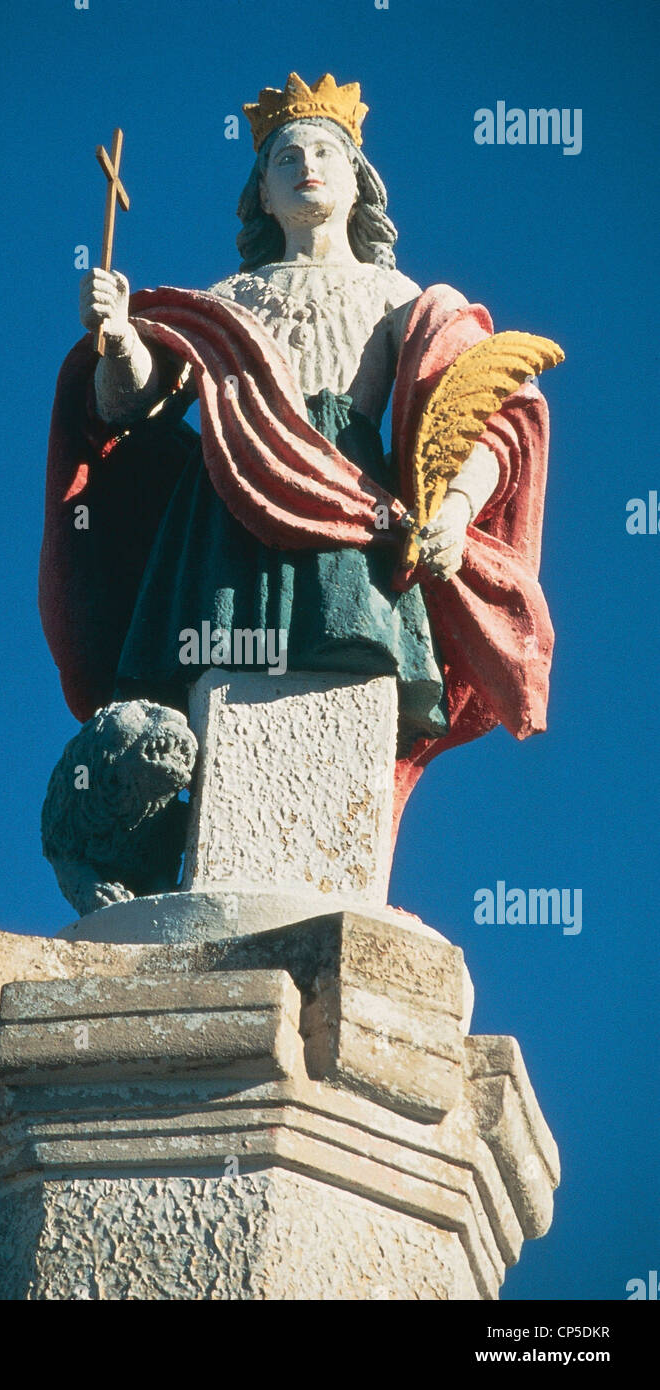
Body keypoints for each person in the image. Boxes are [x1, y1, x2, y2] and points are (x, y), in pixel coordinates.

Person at [40, 74, 555, 834]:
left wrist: (454, 509)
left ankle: (320, 858)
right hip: (226, 506)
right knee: (221, 668)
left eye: (325, 153)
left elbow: (490, 415)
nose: (307, 165)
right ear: (263, 195)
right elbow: (133, 410)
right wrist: (117, 339)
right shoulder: (225, 300)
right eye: (285, 158)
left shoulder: (398, 296)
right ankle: (226, 846)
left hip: (349, 507)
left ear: (359, 184)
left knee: (344, 657)